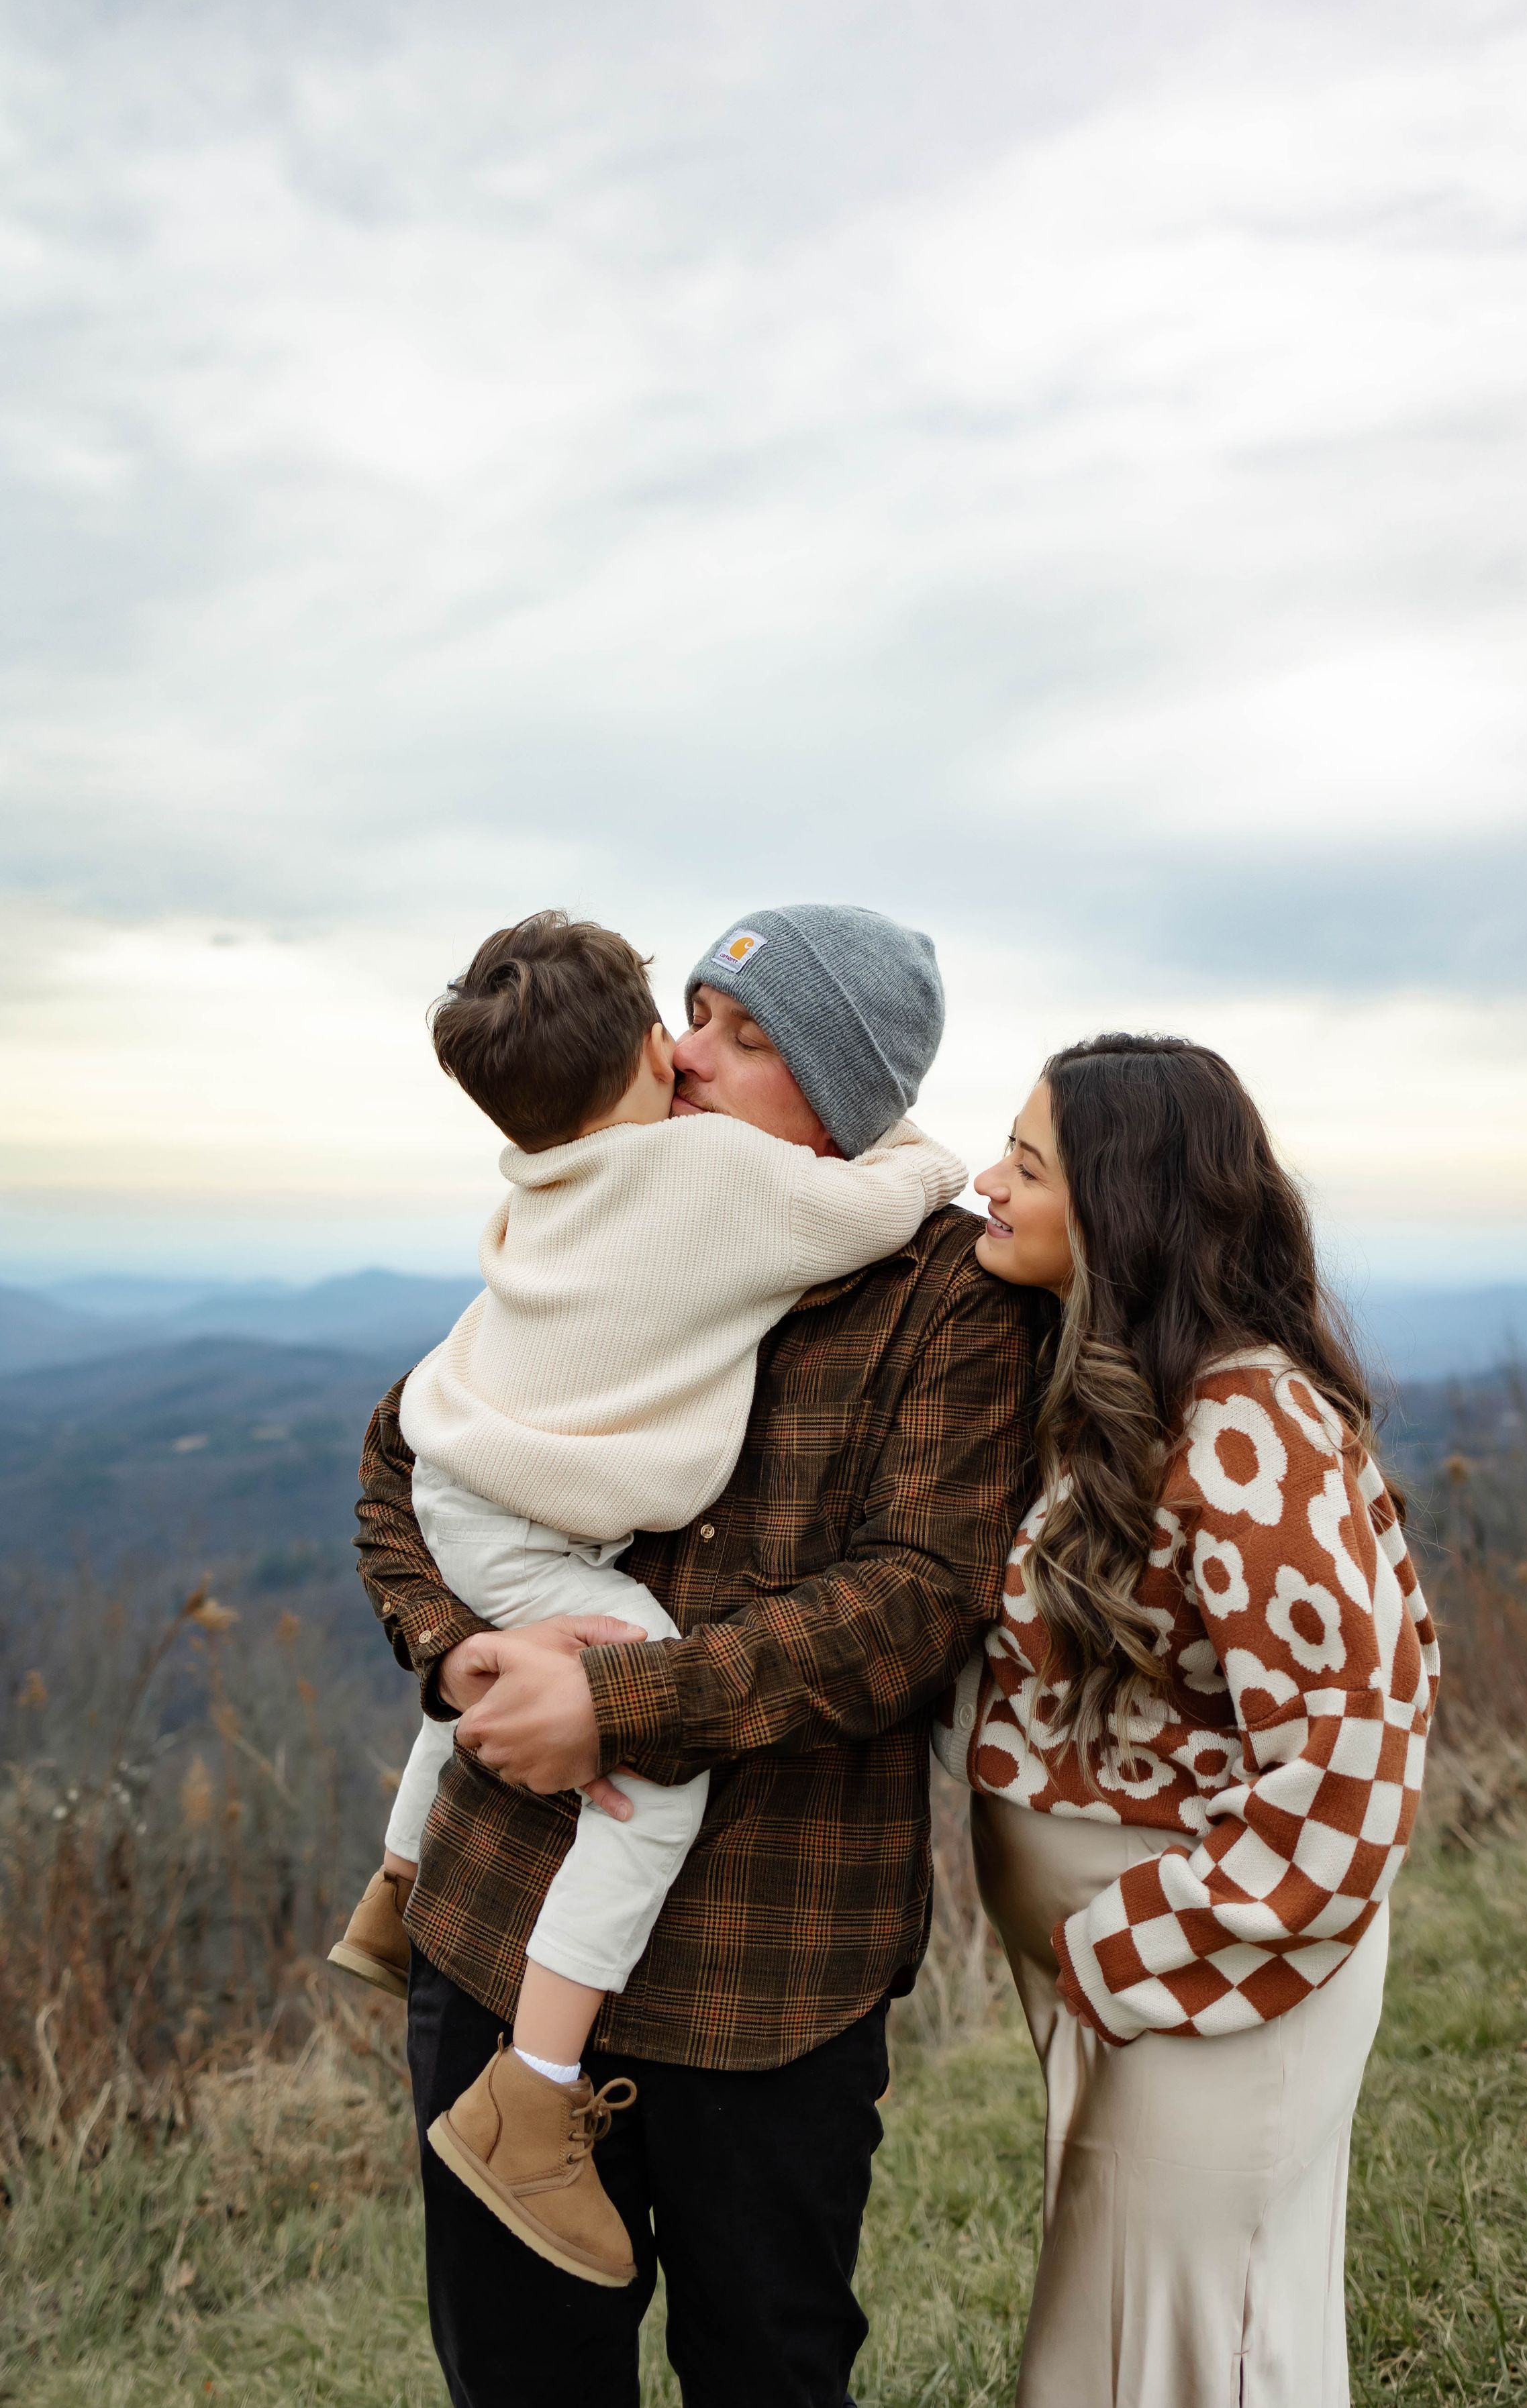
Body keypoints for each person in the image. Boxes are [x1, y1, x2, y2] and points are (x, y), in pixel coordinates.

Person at [353, 901, 1049, 2408]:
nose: (687, 1058)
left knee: (769, 2372)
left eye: (751, 1038)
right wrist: (458, 1650)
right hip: (498, 1918)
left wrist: (615, 1701)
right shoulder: (619, 1194)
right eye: (694, 1017)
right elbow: (406, 1452)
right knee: (518, 2377)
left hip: (769, 1969)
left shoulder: (945, 1295)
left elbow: (918, 1599)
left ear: (848, 1093)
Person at [936, 1034, 1438, 2408]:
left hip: (1216, 1984)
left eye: (1026, 1166)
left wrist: (1117, 1948)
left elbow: (1352, 1762)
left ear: (1122, 1208)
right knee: (1167, 2341)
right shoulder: (1112, 1389)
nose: (987, 1181)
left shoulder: (1247, 1424)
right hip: (1150, 1985)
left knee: (1180, 2351)